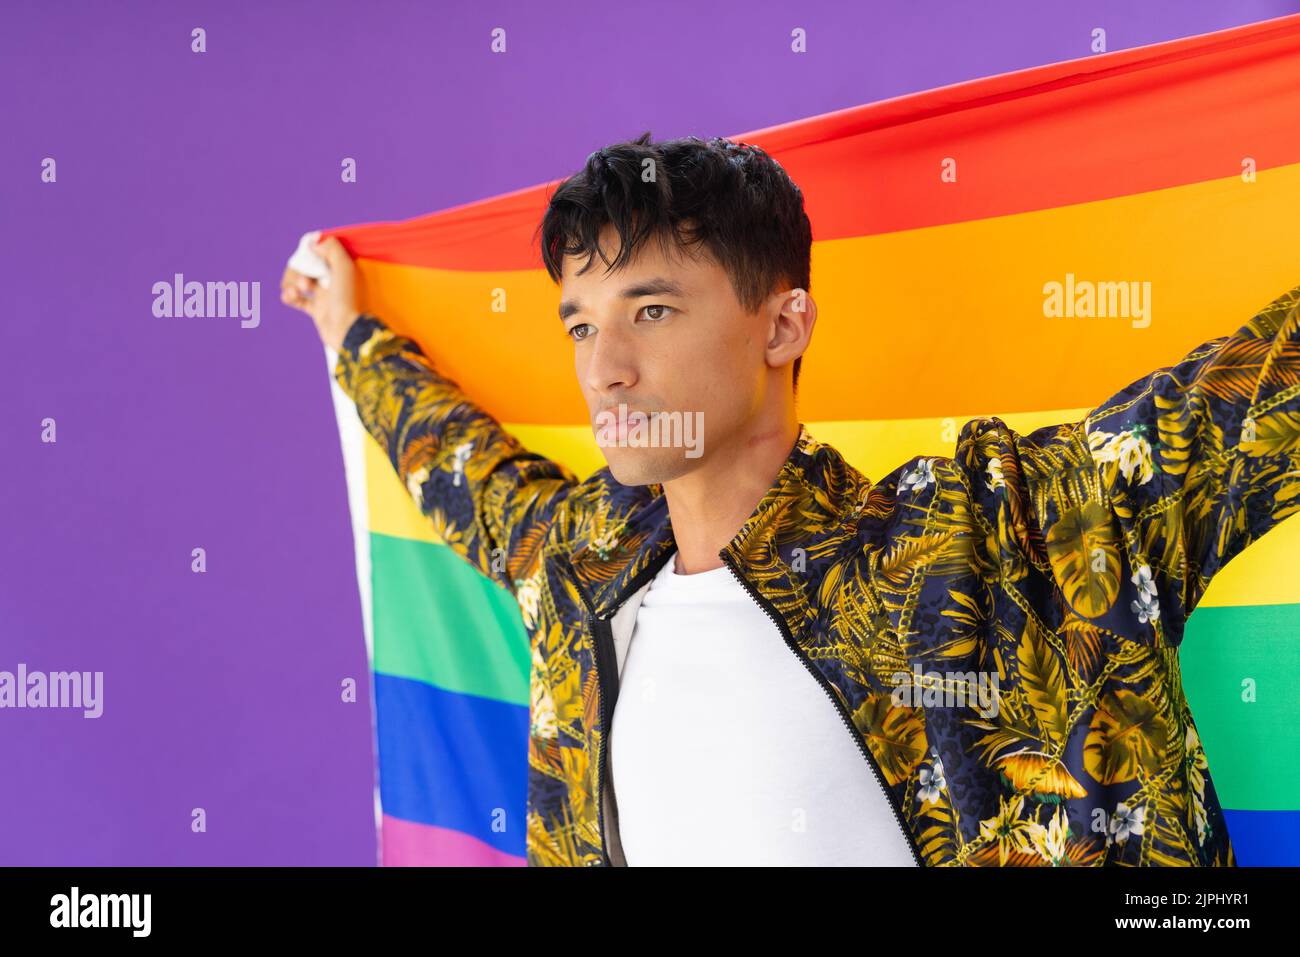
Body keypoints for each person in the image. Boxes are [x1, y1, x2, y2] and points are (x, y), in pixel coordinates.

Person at [282, 132, 1300, 866]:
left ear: (782, 327)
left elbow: (1253, 405)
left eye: (651, 310)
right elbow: (466, 476)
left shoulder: (980, 540)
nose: (606, 370)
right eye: (582, 326)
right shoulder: (579, 568)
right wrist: (351, 338)